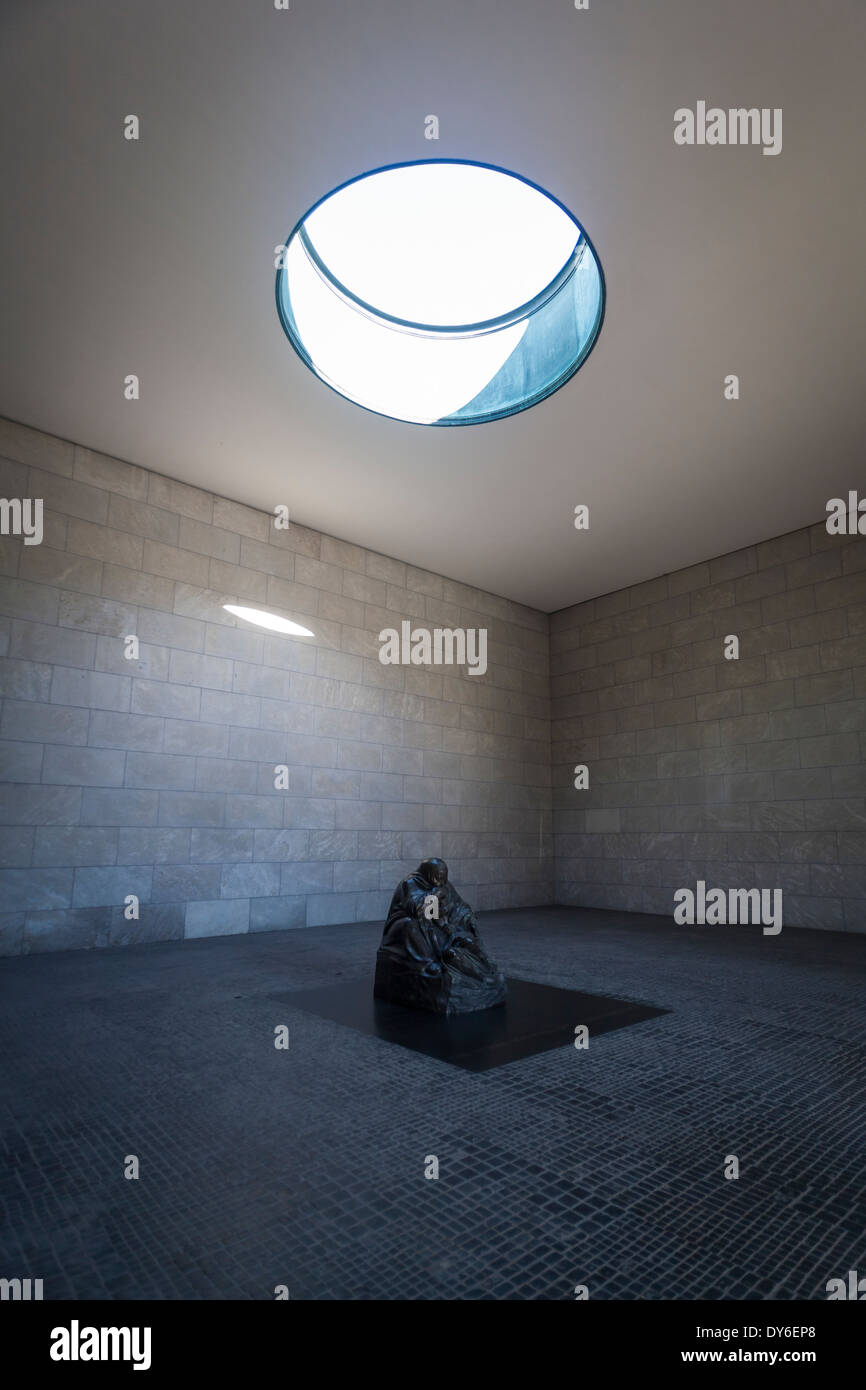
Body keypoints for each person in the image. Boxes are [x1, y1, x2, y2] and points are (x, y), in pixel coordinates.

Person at [375, 858, 507, 1014]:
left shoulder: (445, 886)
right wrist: (434, 896)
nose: (440, 879)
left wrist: (466, 915)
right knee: (410, 926)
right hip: (408, 926)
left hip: (440, 927)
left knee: (466, 941)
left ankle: (485, 971)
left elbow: (459, 905)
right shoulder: (410, 883)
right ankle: (429, 965)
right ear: (427, 874)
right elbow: (412, 906)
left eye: (443, 875)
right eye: (437, 875)